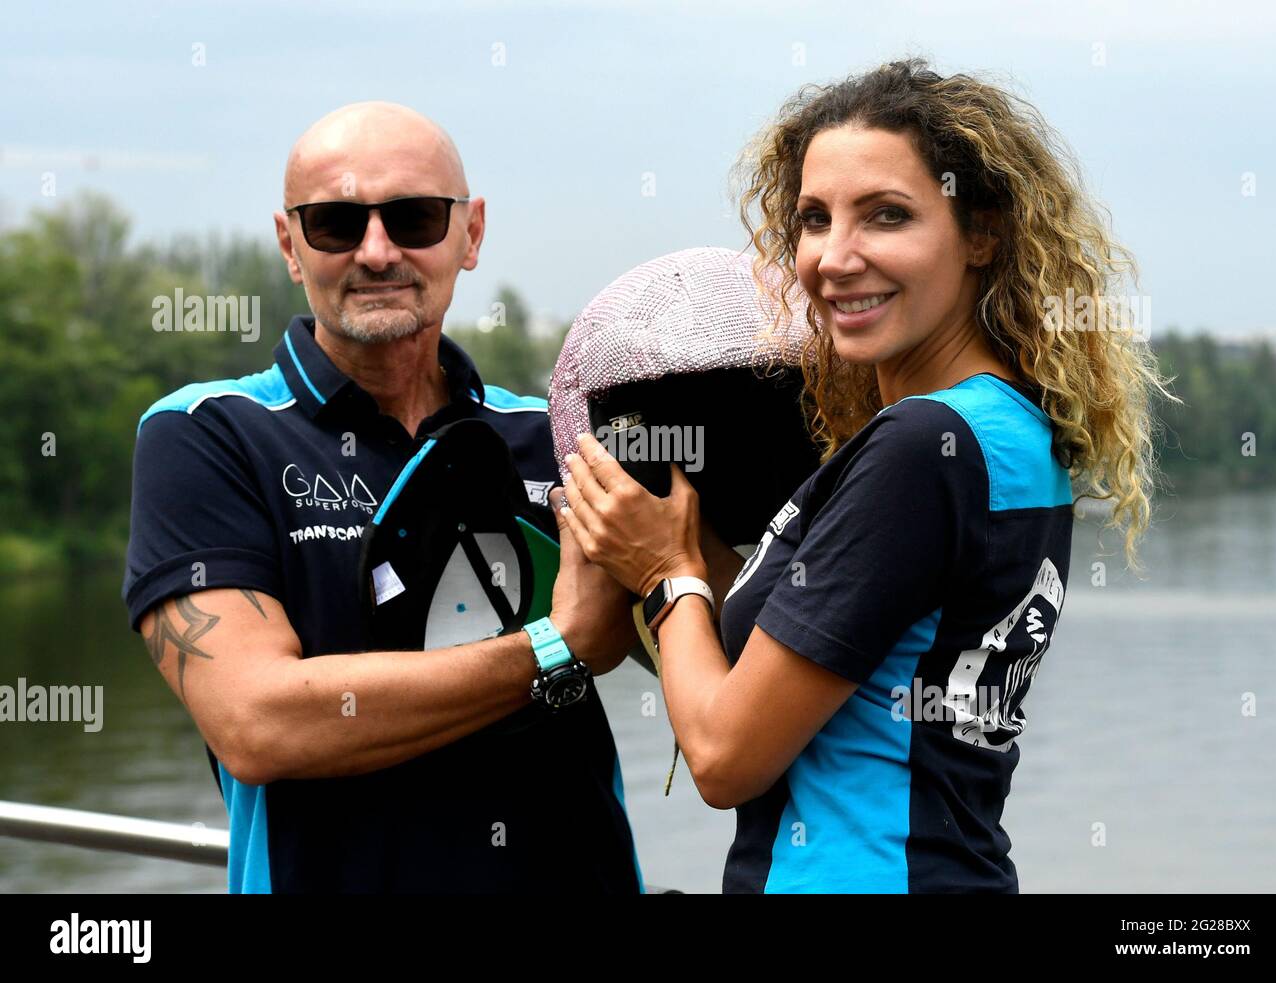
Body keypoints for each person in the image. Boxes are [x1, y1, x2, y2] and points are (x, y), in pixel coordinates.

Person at [558, 59, 1166, 893]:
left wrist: (668, 577)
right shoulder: (1008, 430)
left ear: (982, 233)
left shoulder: (920, 447)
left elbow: (726, 757)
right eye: (813, 219)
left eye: (886, 216)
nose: (835, 258)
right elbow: (839, 651)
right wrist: (685, 557)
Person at [122, 101, 642, 893]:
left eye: (413, 217)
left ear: (470, 234)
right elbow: (259, 722)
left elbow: (711, 647)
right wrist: (556, 644)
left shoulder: (556, 434)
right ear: (289, 244)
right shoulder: (208, 433)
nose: (376, 250)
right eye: (334, 223)